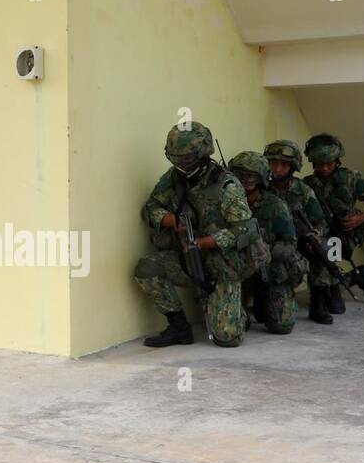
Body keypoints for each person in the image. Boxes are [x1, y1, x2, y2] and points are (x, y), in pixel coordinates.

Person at [134, 122, 265, 348]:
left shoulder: (226, 185)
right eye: (175, 158)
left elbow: (245, 230)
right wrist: (172, 222)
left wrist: (204, 242)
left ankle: (237, 312)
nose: (180, 164)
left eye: (186, 159)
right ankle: (178, 327)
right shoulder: (173, 179)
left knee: (227, 337)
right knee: (147, 268)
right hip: (188, 257)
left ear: (203, 154)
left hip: (224, 264)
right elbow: (150, 208)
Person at [303, 133, 364, 304]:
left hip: (346, 232)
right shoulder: (308, 184)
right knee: (322, 262)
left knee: (328, 258)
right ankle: (353, 278)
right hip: (320, 232)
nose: (325, 169)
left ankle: (342, 283)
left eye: (329, 164)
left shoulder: (350, 178)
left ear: (337, 161)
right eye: (321, 165)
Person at [229, 152, 304, 334]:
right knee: (235, 326)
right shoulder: (228, 203)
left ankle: (266, 299)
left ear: (261, 178)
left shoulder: (276, 205)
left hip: (271, 270)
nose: (246, 180)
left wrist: (264, 250)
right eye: (241, 175)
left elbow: (290, 244)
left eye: (252, 175)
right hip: (241, 270)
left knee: (281, 326)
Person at [263, 138, 333, 324]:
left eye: (283, 164)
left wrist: (313, 236)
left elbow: (321, 221)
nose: (276, 169)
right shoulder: (262, 189)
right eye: (272, 163)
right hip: (271, 243)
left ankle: (319, 302)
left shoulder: (303, 190)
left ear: (292, 166)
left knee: (324, 248)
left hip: (299, 241)